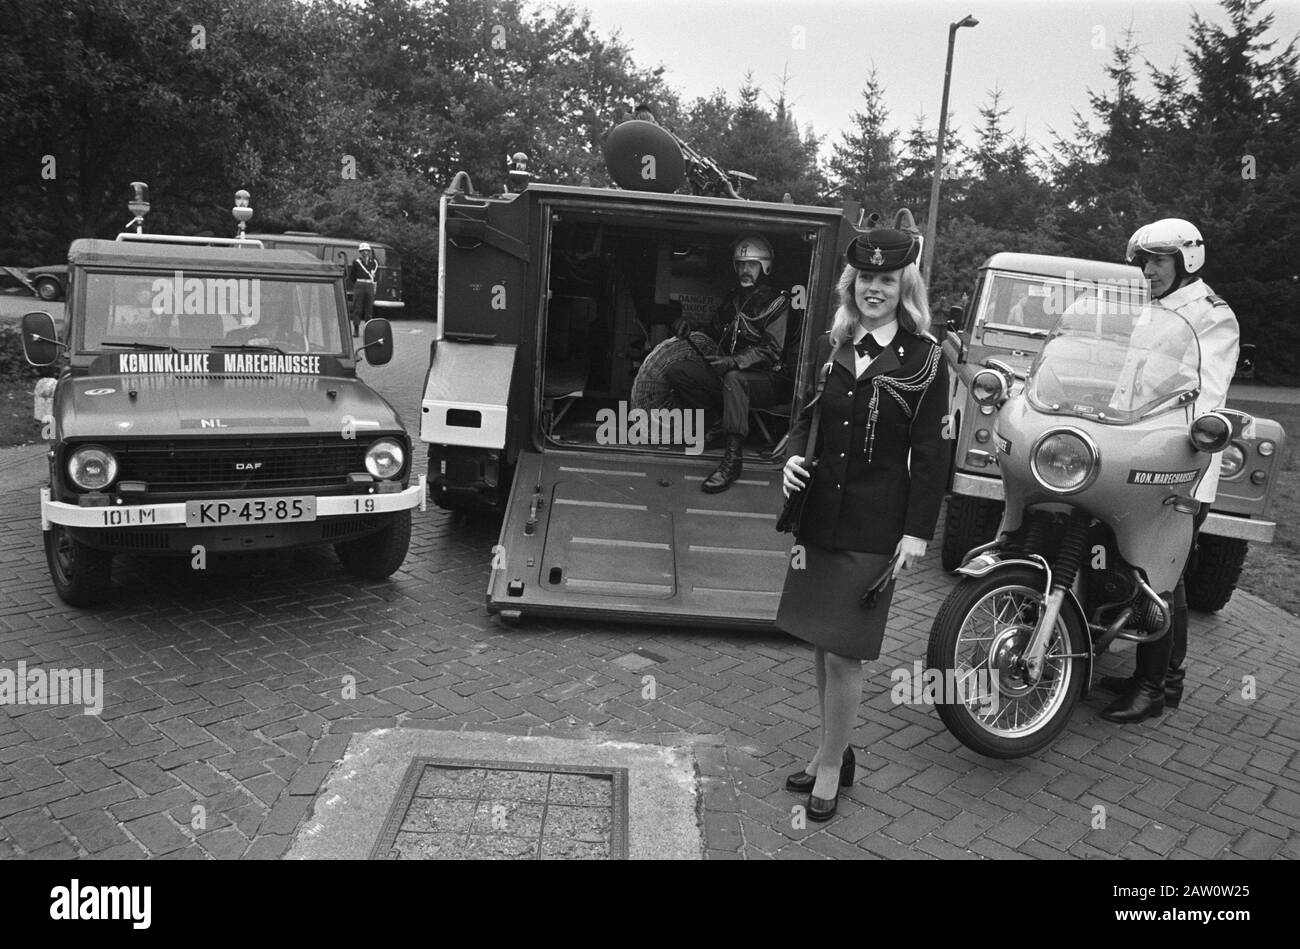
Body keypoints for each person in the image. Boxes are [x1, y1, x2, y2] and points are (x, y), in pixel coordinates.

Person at [775, 228, 950, 821]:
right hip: (821, 518)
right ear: (852, 285)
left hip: (875, 528)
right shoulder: (835, 344)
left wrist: (917, 532)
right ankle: (836, 751)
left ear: (904, 288)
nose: (874, 289)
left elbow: (931, 456)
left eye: (887, 280)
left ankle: (830, 767)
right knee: (821, 649)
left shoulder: (927, 360)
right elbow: (806, 415)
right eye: (865, 280)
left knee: (845, 653)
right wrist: (794, 459)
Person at [1098, 217, 1240, 724]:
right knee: (1156, 574)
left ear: (1186, 260)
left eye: (1157, 261)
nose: (1147, 271)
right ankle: (1163, 679)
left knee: (1161, 572)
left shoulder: (1210, 317)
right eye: (1144, 262)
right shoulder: (1157, 311)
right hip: (1143, 461)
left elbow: (1204, 401)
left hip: (1180, 468)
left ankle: (1153, 687)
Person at [660, 233, 793, 492]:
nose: (745, 269)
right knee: (679, 372)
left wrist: (732, 362)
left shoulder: (779, 303)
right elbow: (715, 330)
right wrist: (689, 325)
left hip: (771, 379)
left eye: (752, 264)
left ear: (765, 267)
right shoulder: (734, 299)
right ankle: (720, 425)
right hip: (735, 372)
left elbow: (771, 351)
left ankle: (733, 460)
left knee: (734, 379)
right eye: (741, 264)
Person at [349, 244, 378, 336]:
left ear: (369, 252)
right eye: (363, 251)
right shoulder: (356, 262)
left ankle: (368, 329)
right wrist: (358, 284)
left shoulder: (374, 262)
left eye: (367, 250)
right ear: (360, 252)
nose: (365, 252)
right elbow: (352, 276)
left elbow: (377, 275)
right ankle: (356, 328)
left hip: (369, 284)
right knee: (357, 307)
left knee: (369, 308)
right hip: (359, 284)